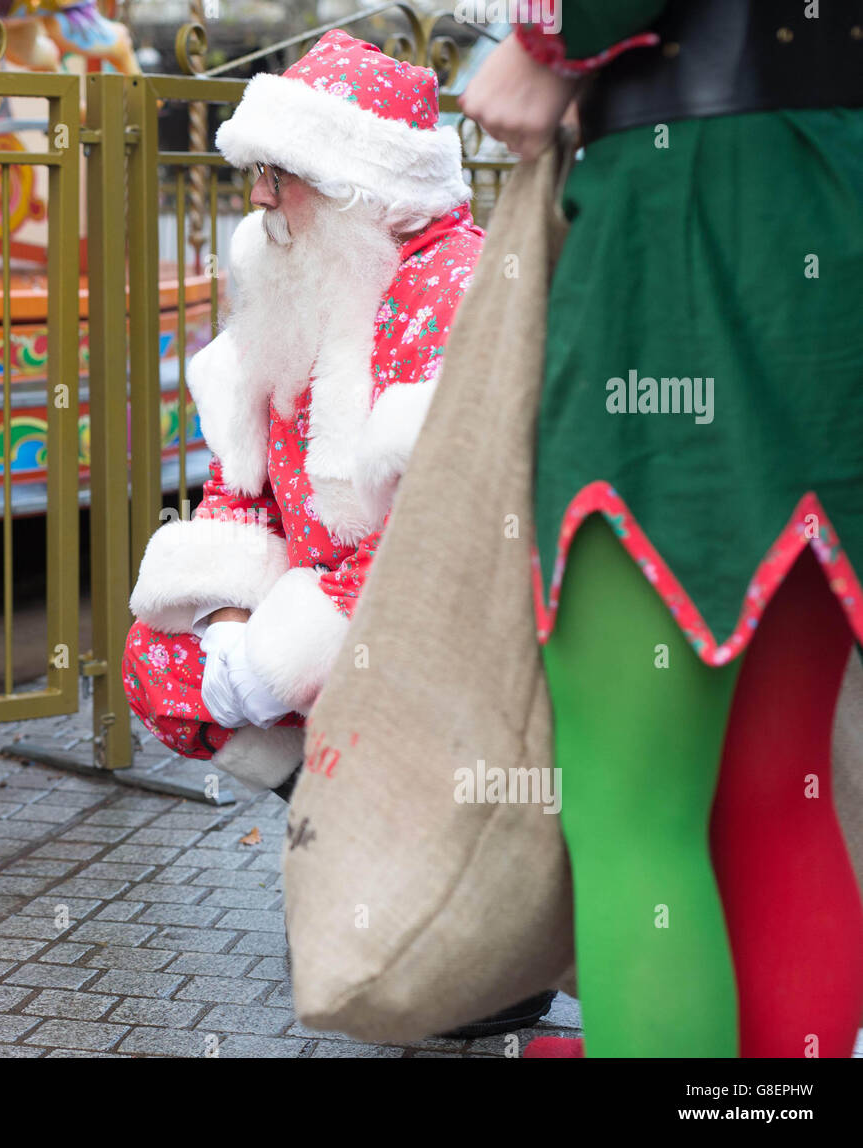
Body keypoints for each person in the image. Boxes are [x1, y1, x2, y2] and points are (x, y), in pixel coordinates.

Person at [122, 30, 557, 1036]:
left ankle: (477, 950)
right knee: (165, 655)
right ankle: (366, 868)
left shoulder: (448, 286)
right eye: (258, 176)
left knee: (366, 719)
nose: (259, 201)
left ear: (354, 179)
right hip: (322, 597)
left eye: (279, 177)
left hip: (445, 618)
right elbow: (246, 485)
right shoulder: (316, 269)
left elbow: (456, 533)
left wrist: (279, 654)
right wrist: (228, 619)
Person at [461, 2, 863, 1057]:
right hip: (835, 179)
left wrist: (547, 40)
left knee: (633, 811)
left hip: (690, 196)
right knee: (777, 791)